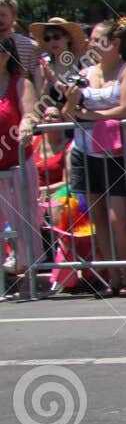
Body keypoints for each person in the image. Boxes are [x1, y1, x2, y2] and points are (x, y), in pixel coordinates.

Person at [56, 19, 126, 294]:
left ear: (113, 43)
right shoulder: (84, 72)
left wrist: (90, 116)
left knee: (118, 217)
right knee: (98, 217)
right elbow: (68, 114)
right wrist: (70, 100)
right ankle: (112, 276)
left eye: (96, 39)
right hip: (85, 150)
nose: (91, 44)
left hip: (116, 152)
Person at [0, 35, 42, 298]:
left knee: (24, 220)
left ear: (5, 55)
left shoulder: (20, 83)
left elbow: (30, 111)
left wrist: (28, 121)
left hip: (17, 162)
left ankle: (29, 278)